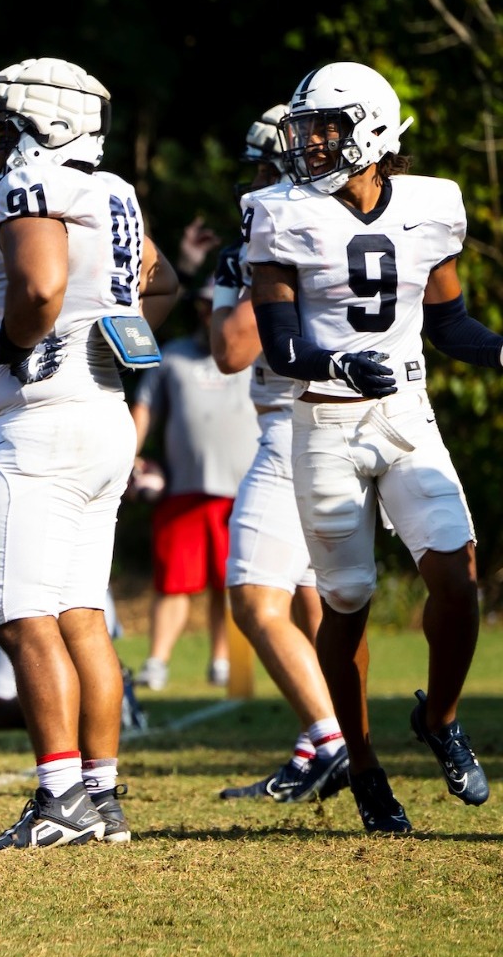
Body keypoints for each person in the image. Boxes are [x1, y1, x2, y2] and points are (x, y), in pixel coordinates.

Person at [247, 61, 496, 832]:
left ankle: (440, 718)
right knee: (347, 602)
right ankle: (360, 764)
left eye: (326, 127)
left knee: (456, 575)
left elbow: (451, 325)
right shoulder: (278, 214)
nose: (310, 143)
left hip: (404, 414)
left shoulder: (431, 206)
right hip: (321, 421)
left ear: (373, 131)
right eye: (308, 128)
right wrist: (336, 362)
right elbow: (282, 347)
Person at [0, 57, 177, 849]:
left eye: (2, 123)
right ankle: (101, 794)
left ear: (44, 123)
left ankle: (59, 795)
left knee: (22, 615)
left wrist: (24, 342)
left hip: (42, 423)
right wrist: (105, 316)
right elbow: (167, 284)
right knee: (82, 613)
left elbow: (42, 285)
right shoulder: (112, 192)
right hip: (103, 415)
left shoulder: (34, 187)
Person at [209, 106, 353, 802]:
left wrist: (222, 282)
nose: (261, 179)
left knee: (254, 597)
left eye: (270, 165)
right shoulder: (352, 222)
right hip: (343, 421)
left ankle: (332, 738)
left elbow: (231, 349)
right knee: (312, 598)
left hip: (293, 427)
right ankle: (323, 741)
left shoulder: (283, 230)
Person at [130, 282, 258, 689]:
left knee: (232, 583)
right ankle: (157, 662)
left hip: (243, 489)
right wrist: (127, 457)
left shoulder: (255, 353)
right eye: (205, 305)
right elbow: (144, 409)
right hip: (184, 489)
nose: (210, 313)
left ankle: (227, 663)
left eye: (218, 304)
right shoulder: (174, 356)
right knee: (173, 582)